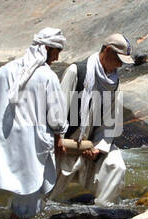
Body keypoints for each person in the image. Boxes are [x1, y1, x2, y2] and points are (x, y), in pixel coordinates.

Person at [0, 28, 69, 219]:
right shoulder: (47, 76)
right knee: (30, 187)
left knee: (20, 185)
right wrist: (59, 136)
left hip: (7, 139)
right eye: (56, 51)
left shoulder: (4, 71)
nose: (57, 58)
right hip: (32, 144)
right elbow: (57, 117)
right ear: (47, 49)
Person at [49, 33, 131, 206]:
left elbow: (110, 120)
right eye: (119, 59)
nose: (120, 65)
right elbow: (59, 109)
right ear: (108, 51)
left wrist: (99, 148)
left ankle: (103, 211)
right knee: (45, 193)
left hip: (92, 145)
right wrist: (58, 140)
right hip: (65, 142)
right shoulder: (76, 71)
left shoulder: (113, 81)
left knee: (116, 166)